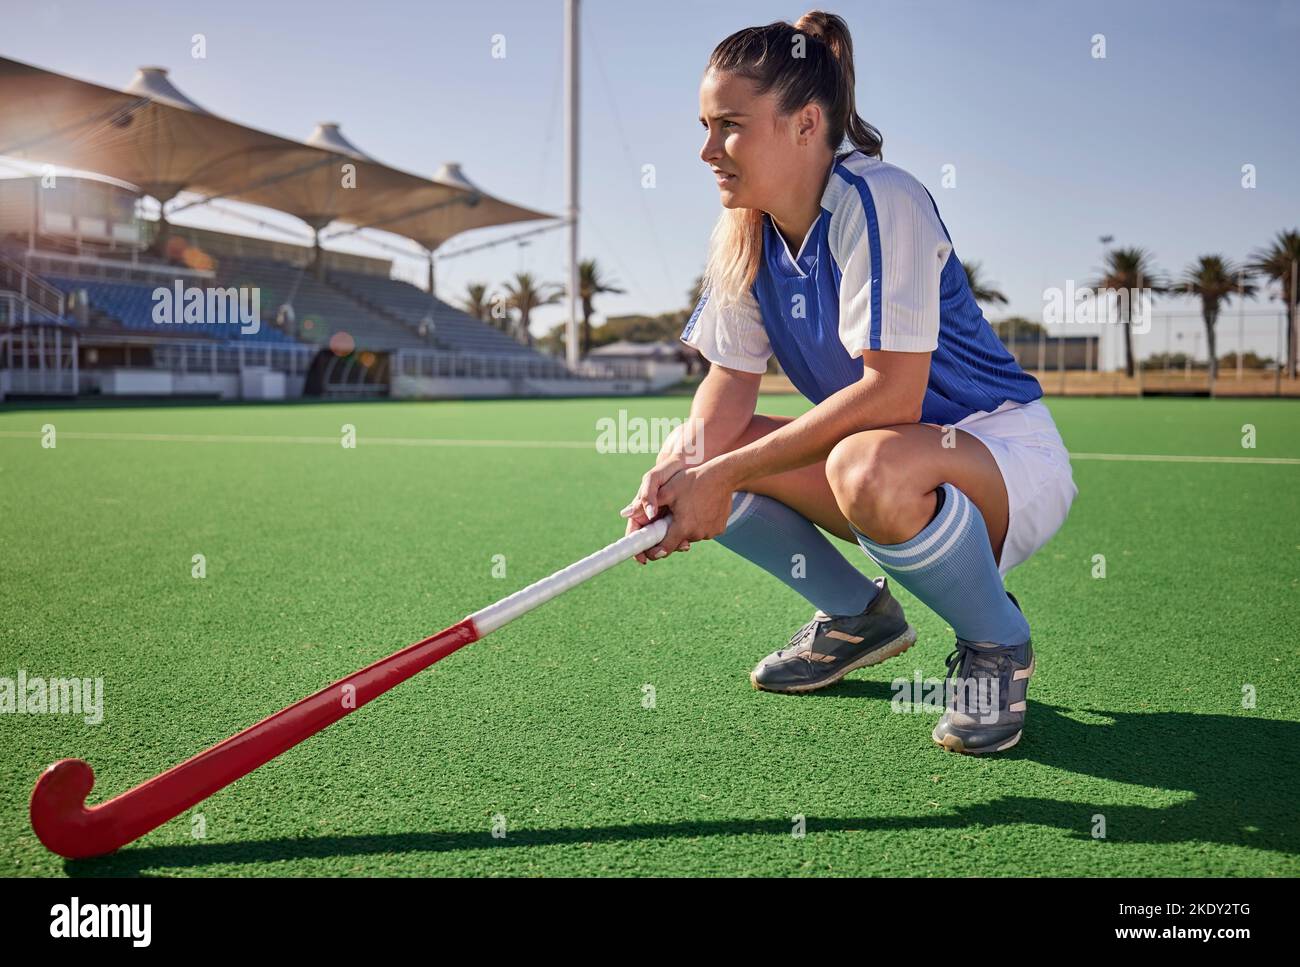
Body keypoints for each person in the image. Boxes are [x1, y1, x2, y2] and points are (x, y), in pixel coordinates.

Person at [620, 10, 1077, 755]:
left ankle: (997, 641)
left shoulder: (880, 199)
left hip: (1000, 453)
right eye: (704, 126)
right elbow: (726, 392)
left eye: (728, 125)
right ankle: (859, 616)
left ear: (805, 123)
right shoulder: (747, 233)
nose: (707, 150)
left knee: (858, 465)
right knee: (711, 457)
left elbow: (892, 396)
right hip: (888, 456)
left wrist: (723, 469)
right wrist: (676, 472)